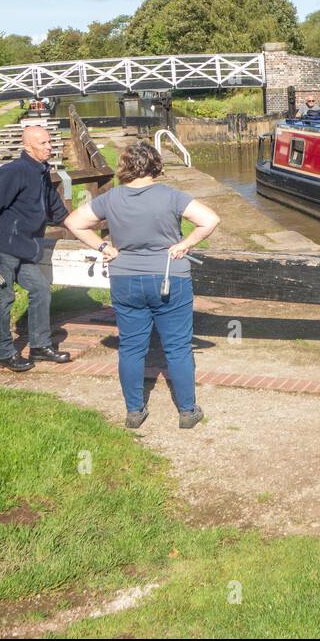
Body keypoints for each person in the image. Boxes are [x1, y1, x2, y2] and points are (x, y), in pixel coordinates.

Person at [65, 140, 220, 430]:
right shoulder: (171, 196)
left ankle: (135, 411)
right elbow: (210, 219)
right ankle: (187, 411)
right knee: (178, 348)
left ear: (124, 166)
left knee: (132, 347)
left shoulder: (110, 199)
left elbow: (74, 222)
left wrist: (103, 247)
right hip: (169, 276)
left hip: (125, 279)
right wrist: (184, 244)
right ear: (156, 165)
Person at [0, 124, 72, 372]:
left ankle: (40, 346)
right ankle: (5, 354)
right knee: (4, 300)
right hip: (2, 248)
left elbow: (57, 211)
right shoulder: (13, 172)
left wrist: (88, 225)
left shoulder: (42, 172)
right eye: (43, 144)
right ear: (27, 147)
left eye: (50, 142)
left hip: (26, 248)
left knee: (40, 289)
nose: (49, 147)